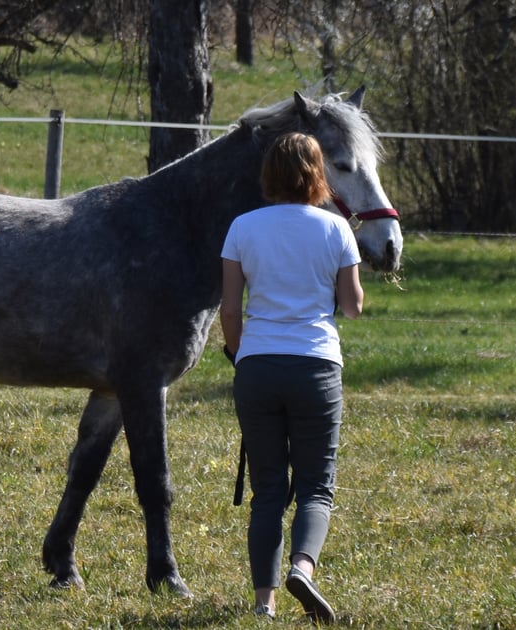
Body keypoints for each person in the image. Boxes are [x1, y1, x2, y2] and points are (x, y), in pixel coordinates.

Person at [219, 131, 364, 623]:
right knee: (316, 487)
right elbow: (352, 305)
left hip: (257, 365)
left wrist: (241, 356)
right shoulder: (336, 229)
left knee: (267, 490)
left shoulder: (242, 227)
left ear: (269, 175)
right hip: (317, 366)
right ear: (317, 175)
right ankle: (303, 566)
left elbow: (230, 309)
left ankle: (264, 603)